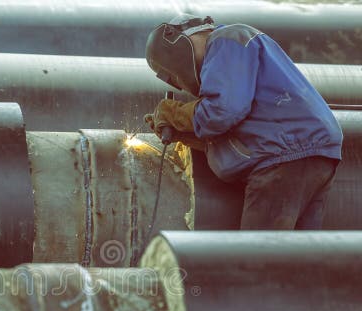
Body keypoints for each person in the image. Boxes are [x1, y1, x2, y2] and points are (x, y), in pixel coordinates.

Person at [144, 15, 342, 229]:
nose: (180, 83)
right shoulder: (234, 61)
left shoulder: (226, 40)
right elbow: (239, 131)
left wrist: (175, 114)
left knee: (259, 249)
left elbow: (222, 111)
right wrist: (183, 133)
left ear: (178, 46)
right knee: (294, 249)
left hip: (283, 158)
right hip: (309, 154)